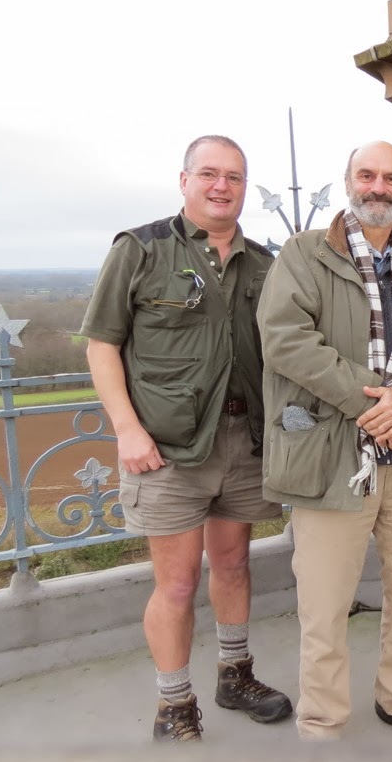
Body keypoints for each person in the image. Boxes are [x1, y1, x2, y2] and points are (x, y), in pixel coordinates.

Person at [81, 135, 291, 743]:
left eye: (234, 176)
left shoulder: (261, 263)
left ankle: (235, 674)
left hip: (242, 441)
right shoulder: (140, 249)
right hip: (167, 448)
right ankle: (175, 704)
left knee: (232, 565)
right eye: (209, 174)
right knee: (176, 583)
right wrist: (127, 430)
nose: (221, 186)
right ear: (184, 180)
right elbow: (101, 346)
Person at [257, 140, 392, 739]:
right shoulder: (302, 255)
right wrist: (374, 401)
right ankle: (322, 720)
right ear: (349, 182)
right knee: (324, 605)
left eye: (391, 178)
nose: (379, 187)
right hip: (332, 459)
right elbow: (286, 340)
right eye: (367, 176)